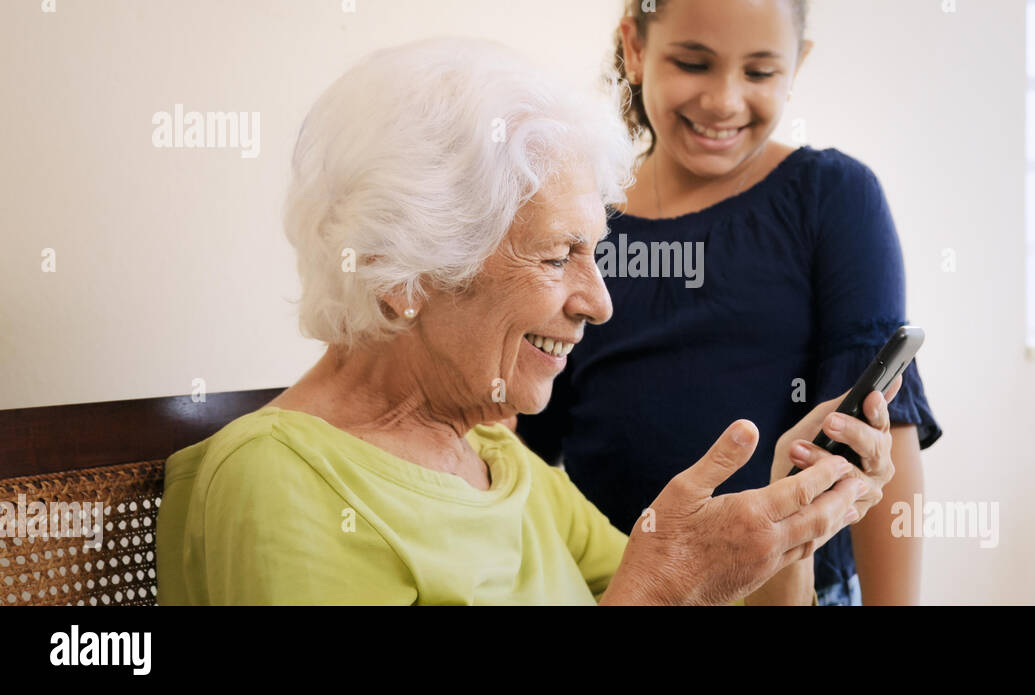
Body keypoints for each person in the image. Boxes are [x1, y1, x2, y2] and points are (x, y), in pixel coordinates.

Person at [155, 37, 900, 606]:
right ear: (405, 277)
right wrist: (658, 589)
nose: (600, 301)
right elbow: (655, 593)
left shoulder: (500, 461)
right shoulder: (277, 481)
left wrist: (789, 526)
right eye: (556, 257)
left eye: (596, 254)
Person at [515, 0, 943, 606]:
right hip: (615, 589)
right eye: (692, 62)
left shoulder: (830, 198)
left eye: (760, 71)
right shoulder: (582, 217)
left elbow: (879, 431)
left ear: (795, 66)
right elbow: (520, 437)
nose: (723, 100)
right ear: (635, 47)